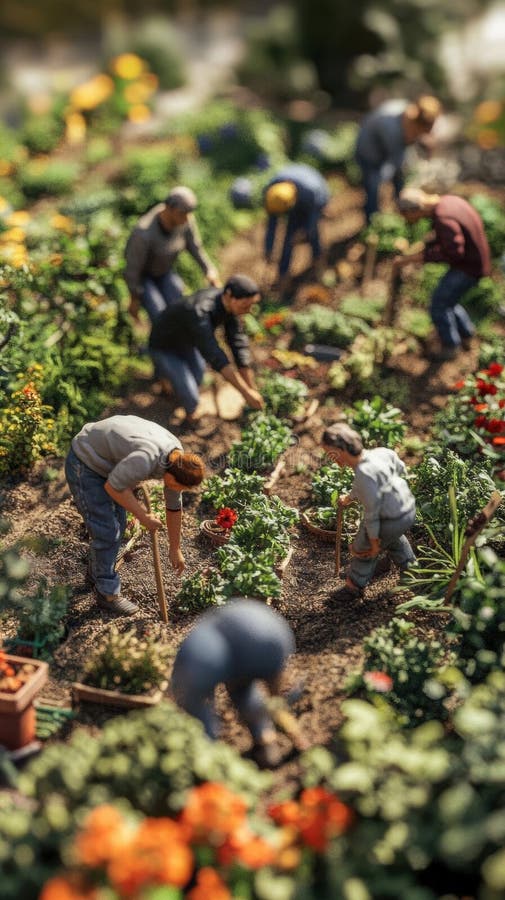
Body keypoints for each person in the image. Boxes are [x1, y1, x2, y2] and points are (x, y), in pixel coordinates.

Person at [65, 415, 205, 616]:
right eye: (174, 485)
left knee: (118, 524)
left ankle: (97, 569)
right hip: (86, 462)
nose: (173, 490)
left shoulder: (177, 458)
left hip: (111, 463)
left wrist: (175, 549)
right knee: (107, 530)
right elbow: (113, 487)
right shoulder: (145, 459)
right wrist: (143, 517)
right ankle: (107, 594)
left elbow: (174, 506)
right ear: (170, 474)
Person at [171, 598, 296, 767]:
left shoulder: (268, 649)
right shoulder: (200, 661)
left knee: (243, 690)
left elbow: (274, 683)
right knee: (200, 717)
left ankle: (264, 739)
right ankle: (209, 759)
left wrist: (281, 713)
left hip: (249, 639)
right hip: (202, 660)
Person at [149, 273, 264, 424]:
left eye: (251, 306)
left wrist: (251, 389)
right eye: (245, 305)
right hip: (164, 346)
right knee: (191, 399)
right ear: (229, 295)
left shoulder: (229, 306)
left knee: (197, 377)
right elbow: (214, 355)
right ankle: (188, 415)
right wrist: (245, 393)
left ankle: (170, 385)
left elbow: (238, 345)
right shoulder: (200, 311)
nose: (249, 310)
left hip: (187, 342)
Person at [393, 187, 491, 360]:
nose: (408, 220)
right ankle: (467, 335)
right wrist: (428, 244)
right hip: (477, 261)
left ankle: (451, 346)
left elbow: (454, 252)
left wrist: (418, 257)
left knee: (439, 304)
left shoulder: (443, 218)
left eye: (406, 216)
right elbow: (452, 237)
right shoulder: (448, 201)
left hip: (468, 267)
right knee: (449, 301)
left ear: (415, 210)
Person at [322, 423, 416, 602]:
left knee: (361, 548)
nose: (330, 458)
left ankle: (354, 586)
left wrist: (373, 546)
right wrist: (349, 498)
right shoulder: (380, 453)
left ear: (341, 450)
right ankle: (412, 571)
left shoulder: (363, 474)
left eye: (330, 453)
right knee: (394, 538)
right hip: (406, 510)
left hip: (388, 517)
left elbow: (372, 514)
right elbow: (399, 467)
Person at [124, 186, 221, 324]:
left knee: (180, 307)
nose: (187, 219)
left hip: (164, 271)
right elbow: (133, 268)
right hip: (144, 277)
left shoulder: (185, 220)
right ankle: (159, 343)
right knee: (159, 314)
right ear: (168, 209)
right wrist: (134, 297)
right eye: (182, 214)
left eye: (189, 214)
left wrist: (209, 270)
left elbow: (195, 247)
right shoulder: (144, 233)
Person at [355, 96, 441, 223]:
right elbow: (397, 164)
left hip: (380, 141)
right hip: (368, 150)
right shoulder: (392, 130)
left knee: (397, 181)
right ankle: (372, 221)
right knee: (374, 184)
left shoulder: (409, 114)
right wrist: (404, 190)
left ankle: (401, 210)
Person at [263, 163, 330, 291]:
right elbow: (272, 224)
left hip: (317, 196)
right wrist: (269, 248)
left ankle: (319, 264)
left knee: (311, 234)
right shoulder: (273, 190)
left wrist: (304, 233)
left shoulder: (312, 193)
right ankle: (283, 276)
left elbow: (312, 220)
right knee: (289, 238)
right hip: (298, 188)